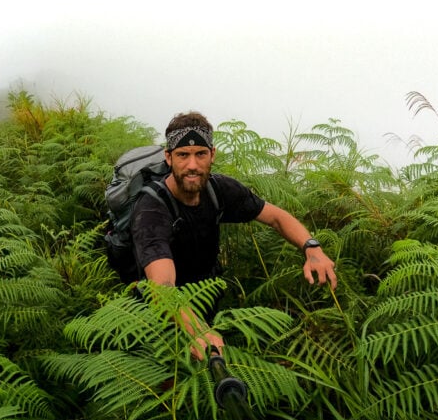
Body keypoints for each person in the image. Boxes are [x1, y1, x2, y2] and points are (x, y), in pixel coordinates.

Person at [131, 111, 337, 359]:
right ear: (168, 158)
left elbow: (275, 217)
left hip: (206, 298)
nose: (192, 165)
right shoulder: (151, 209)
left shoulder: (220, 190)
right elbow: (162, 286)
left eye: (200, 154)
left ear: (212, 155)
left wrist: (312, 247)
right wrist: (196, 330)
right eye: (183, 155)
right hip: (160, 311)